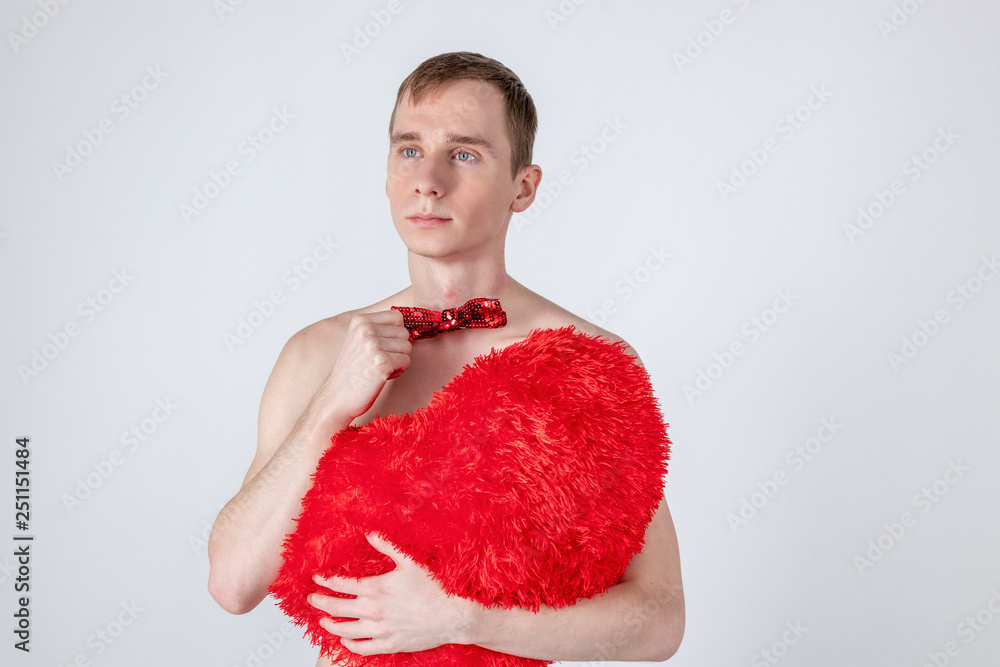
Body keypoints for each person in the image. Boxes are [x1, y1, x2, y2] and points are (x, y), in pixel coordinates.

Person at [207, 51, 684, 664]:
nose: (428, 178)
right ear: (386, 174)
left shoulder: (585, 364)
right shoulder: (319, 352)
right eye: (409, 150)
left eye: (464, 153)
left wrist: (463, 619)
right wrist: (329, 407)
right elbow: (233, 583)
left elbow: (660, 619)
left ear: (523, 187)